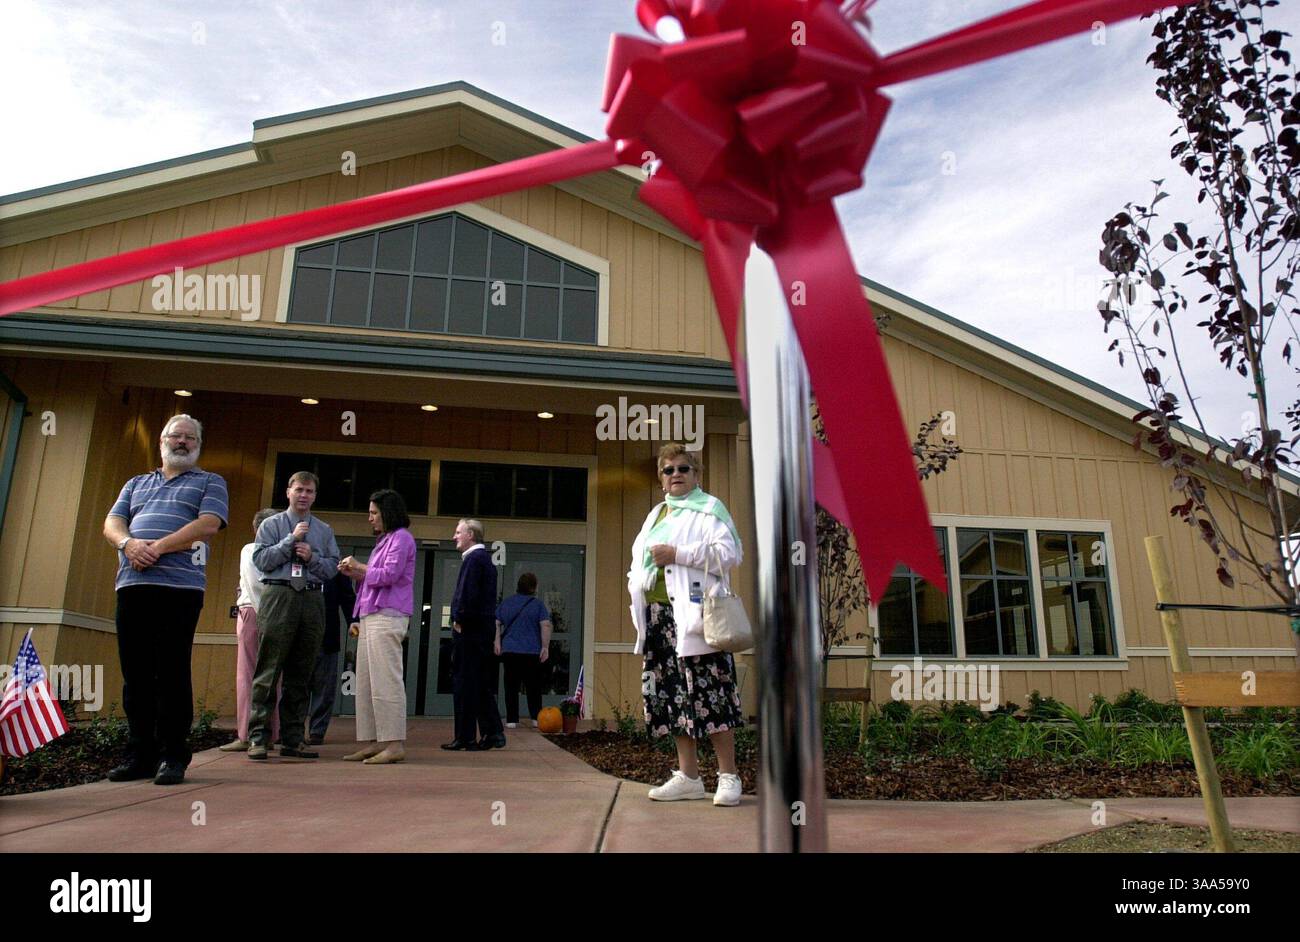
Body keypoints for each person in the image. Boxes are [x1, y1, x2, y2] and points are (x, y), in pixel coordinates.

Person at [102, 414, 229, 786]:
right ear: (162, 441)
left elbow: (208, 525)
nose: (183, 442)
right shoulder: (136, 483)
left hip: (180, 590)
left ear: (198, 445)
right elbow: (112, 524)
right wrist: (129, 544)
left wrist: (154, 547)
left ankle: (173, 755)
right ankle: (139, 754)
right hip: (132, 586)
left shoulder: (210, 481)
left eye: (191, 438)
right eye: (177, 436)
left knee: (171, 671)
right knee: (136, 674)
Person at [628, 443, 745, 807]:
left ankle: (728, 776)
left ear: (696, 475)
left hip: (696, 618)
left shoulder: (710, 510)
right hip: (660, 618)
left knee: (711, 694)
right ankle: (689, 777)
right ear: (661, 479)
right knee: (672, 697)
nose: (675, 474)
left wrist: (678, 555)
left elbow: (730, 555)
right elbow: (641, 560)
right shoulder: (656, 514)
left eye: (683, 468)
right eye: (668, 470)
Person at [247, 471, 339, 761]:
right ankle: (258, 737)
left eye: (310, 491)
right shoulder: (271, 525)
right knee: (269, 668)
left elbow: (332, 568)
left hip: (311, 597)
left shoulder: (324, 530)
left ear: (315, 495)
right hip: (279, 594)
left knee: (302, 672)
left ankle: (293, 738)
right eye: (299, 489)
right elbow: (261, 561)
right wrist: (290, 542)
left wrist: (312, 557)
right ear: (288, 492)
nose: (304, 495)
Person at [338, 489, 416, 764]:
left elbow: (389, 575)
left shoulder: (402, 538)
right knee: (368, 683)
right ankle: (376, 741)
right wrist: (356, 615)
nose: (369, 518)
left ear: (388, 512)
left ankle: (394, 744)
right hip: (372, 615)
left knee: (386, 681)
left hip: (389, 616)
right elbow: (372, 579)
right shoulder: (384, 541)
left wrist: (360, 566)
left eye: (373, 513)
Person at [220, 507, 281, 752]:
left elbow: (253, 586)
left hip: (253, 612)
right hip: (277, 614)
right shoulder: (282, 552)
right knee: (273, 675)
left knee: (248, 674)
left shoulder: (250, 549)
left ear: (256, 529)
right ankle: (272, 733)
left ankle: (246, 733)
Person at [442, 518, 505, 751]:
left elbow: (468, 594)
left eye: (458, 532)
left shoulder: (474, 560)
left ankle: (466, 736)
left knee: (465, 683)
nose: (454, 536)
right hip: (480, 632)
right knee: (478, 683)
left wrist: (459, 619)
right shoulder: (483, 560)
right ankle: (492, 732)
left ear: (471, 535)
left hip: (470, 633)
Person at [494, 572, 551, 728]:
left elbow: (496, 622)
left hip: (510, 650)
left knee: (511, 685)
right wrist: (545, 647)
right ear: (533, 587)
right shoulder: (538, 605)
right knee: (533, 686)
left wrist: (497, 641)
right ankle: (535, 717)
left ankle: (512, 719)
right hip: (532, 651)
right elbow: (545, 625)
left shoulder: (507, 603)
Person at [307, 570, 357, 745]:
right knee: (294, 685)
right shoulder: (296, 562)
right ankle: (291, 730)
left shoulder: (334, 570)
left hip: (327, 635)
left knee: (324, 686)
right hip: (299, 635)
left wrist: (354, 622)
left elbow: (348, 598)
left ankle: (317, 731)